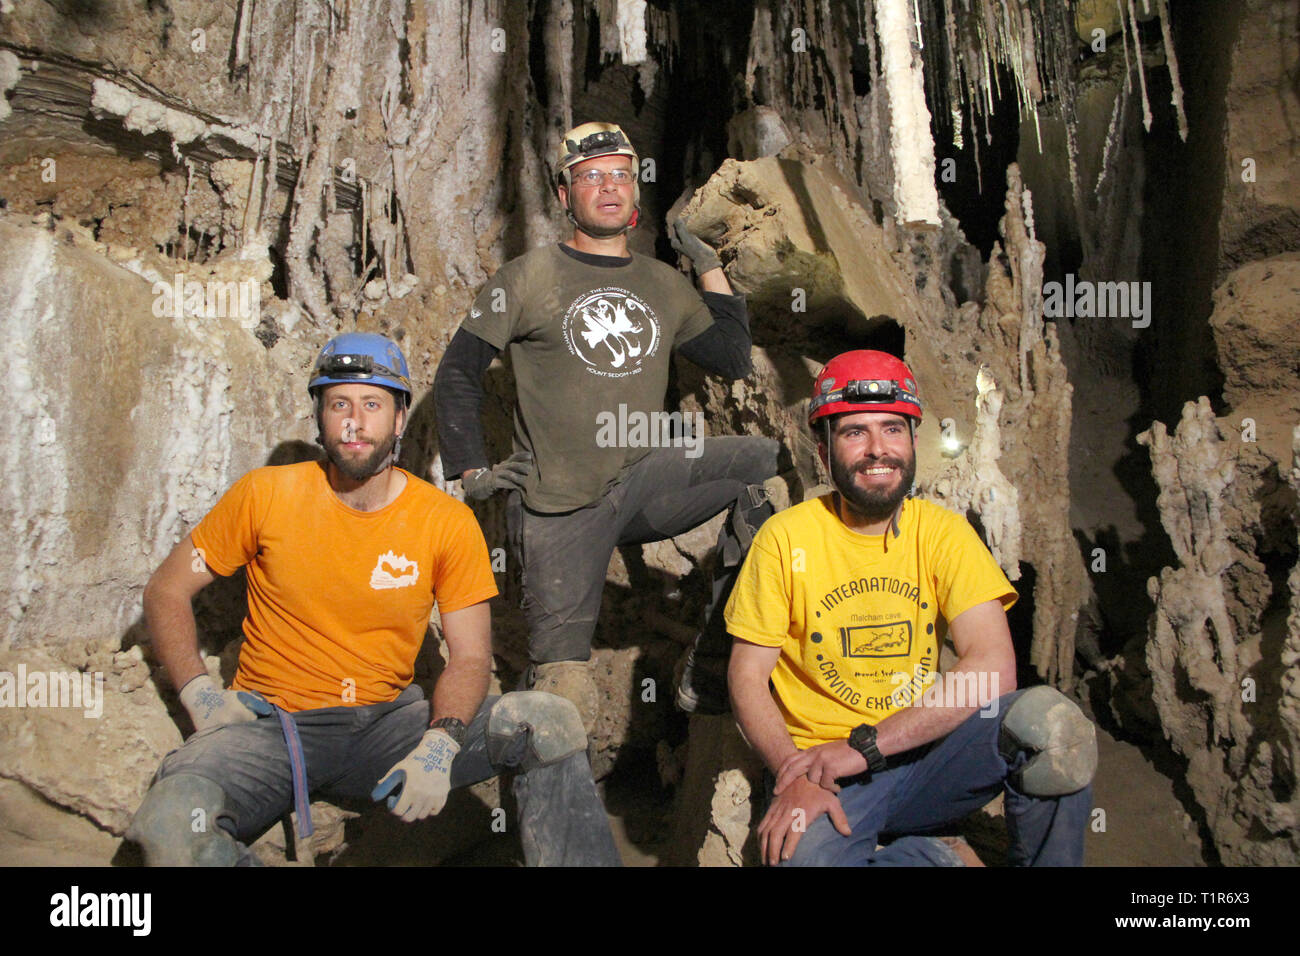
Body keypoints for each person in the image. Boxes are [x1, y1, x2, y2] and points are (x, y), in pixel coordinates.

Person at [127, 332, 620, 866]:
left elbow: (471, 656)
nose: (354, 422)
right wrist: (200, 696)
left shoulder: (444, 521)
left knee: (547, 721)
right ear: (320, 415)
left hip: (389, 726)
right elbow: (167, 588)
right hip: (273, 730)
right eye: (339, 403)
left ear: (400, 418)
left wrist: (442, 743)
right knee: (169, 822)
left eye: (372, 404)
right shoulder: (266, 494)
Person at [434, 121, 779, 727]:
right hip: (558, 504)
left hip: (643, 475)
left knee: (766, 471)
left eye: (621, 174)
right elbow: (458, 372)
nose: (610, 186)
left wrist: (707, 268)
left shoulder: (662, 283)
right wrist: (470, 470)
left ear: (636, 195)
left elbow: (730, 358)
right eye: (590, 176)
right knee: (559, 695)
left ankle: (716, 654)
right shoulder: (525, 278)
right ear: (565, 197)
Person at [726, 349, 1096, 866]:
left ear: (913, 440)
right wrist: (793, 771)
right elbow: (747, 676)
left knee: (1050, 727)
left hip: (929, 757)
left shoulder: (942, 533)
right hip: (826, 773)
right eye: (855, 432)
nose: (879, 449)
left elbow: (992, 667)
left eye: (893, 429)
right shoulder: (787, 539)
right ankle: (936, 859)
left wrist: (868, 746)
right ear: (823, 447)